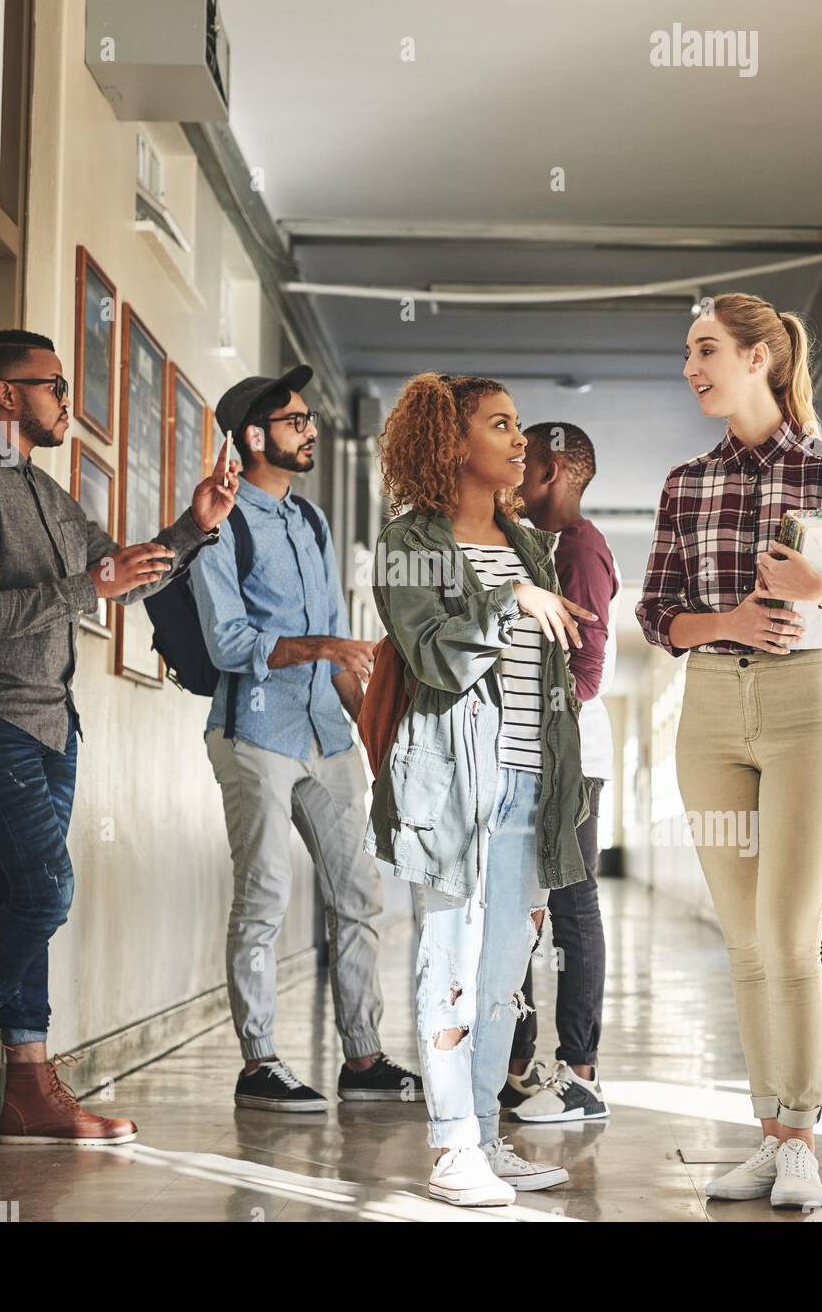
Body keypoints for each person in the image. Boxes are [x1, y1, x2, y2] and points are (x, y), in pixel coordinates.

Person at [636, 293, 822, 1208]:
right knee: (746, 941)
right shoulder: (685, 482)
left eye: (705, 350)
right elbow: (657, 617)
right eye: (686, 354)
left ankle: (801, 1142)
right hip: (711, 710)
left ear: (760, 358)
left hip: (806, 708)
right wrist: (734, 618)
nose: (691, 368)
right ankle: (768, 1135)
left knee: (793, 936)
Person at [0, 328, 238, 1144]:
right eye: (53, 387)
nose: (66, 404)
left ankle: (28, 1086)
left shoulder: (50, 495)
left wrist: (195, 523)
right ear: (6, 395)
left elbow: (128, 569)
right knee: (48, 890)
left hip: (56, 724)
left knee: (24, 899)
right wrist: (88, 584)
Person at [365, 372, 598, 1206]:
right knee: (449, 964)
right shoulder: (409, 542)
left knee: (505, 972)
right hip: (454, 789)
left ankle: (489, 1139)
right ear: (451, 441)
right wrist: (511, 601)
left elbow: (554, 679)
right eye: (501, 425)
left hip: (532, 785)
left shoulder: (526, 540)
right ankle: (451, 1145)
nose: (520, 442)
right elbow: (433, 656)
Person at [190, 366, 423, 1112]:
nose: (309, 429)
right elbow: (228, 643)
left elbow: (343, 653)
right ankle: (259, 1064)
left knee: (360, 893)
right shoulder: (219, 522)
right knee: (263, 896)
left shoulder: (314, 523)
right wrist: (322, 647)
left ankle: (364, 1058)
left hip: (326, 733)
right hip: (254, 731)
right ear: (254, 437)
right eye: (293, 421)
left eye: (307, 418)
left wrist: (376, 742)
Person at [501, 422, 618, 1123]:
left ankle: (581, 1075)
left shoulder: (579, 549)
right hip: (538, 756)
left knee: (571, 911)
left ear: (553, 470)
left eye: (524, 460)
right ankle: (517, 1065)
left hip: (571, 763)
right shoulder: (538, 544)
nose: (513, 470)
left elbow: (587, 672)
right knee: (522, 912)